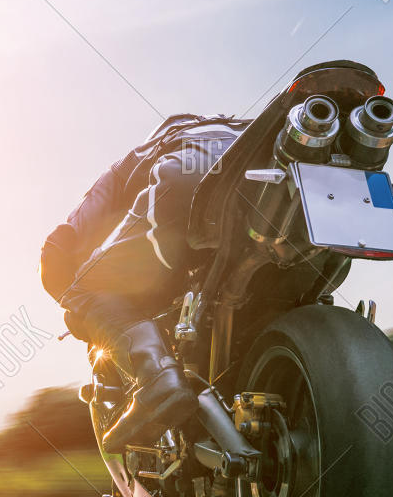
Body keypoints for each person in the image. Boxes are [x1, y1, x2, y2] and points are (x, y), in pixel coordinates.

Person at [41, 113, 250, 452]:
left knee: (77, 287)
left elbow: (63, 239)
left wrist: (61, 271)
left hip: (193, 178)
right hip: (285, 180)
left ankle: (156, 375)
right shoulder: (238, 129)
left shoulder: (138, 157)